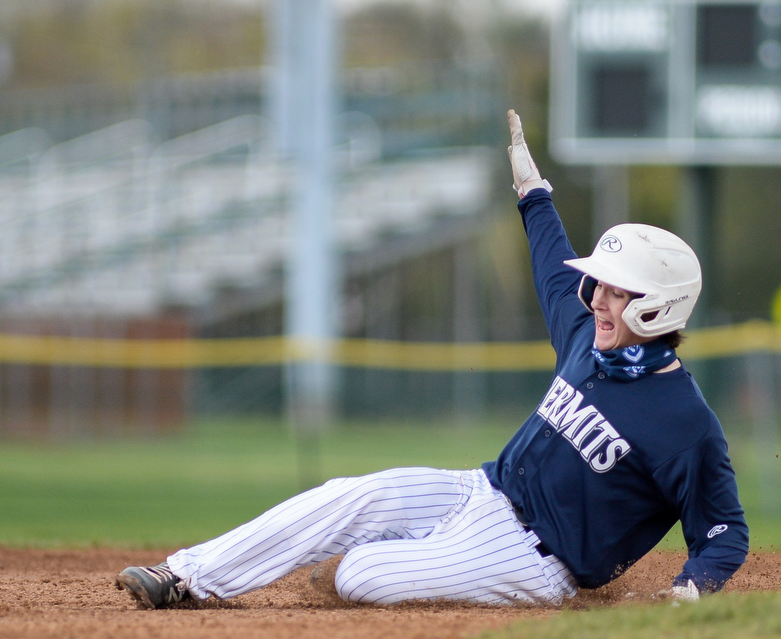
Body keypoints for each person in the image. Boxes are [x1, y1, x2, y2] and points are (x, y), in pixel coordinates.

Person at [115, 110, 748, 610]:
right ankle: (186, 576)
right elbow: (555, 269)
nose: (598, 299)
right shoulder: (590, 337)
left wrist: (692, 587)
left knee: (362, 572)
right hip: (482, 487)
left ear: (660, 307)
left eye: (616, 290)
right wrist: (534, 192)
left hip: (537, 560)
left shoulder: (683, 422)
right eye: (601, 285)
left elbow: (723, 529)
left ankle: (397, 561)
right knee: (349, 497)